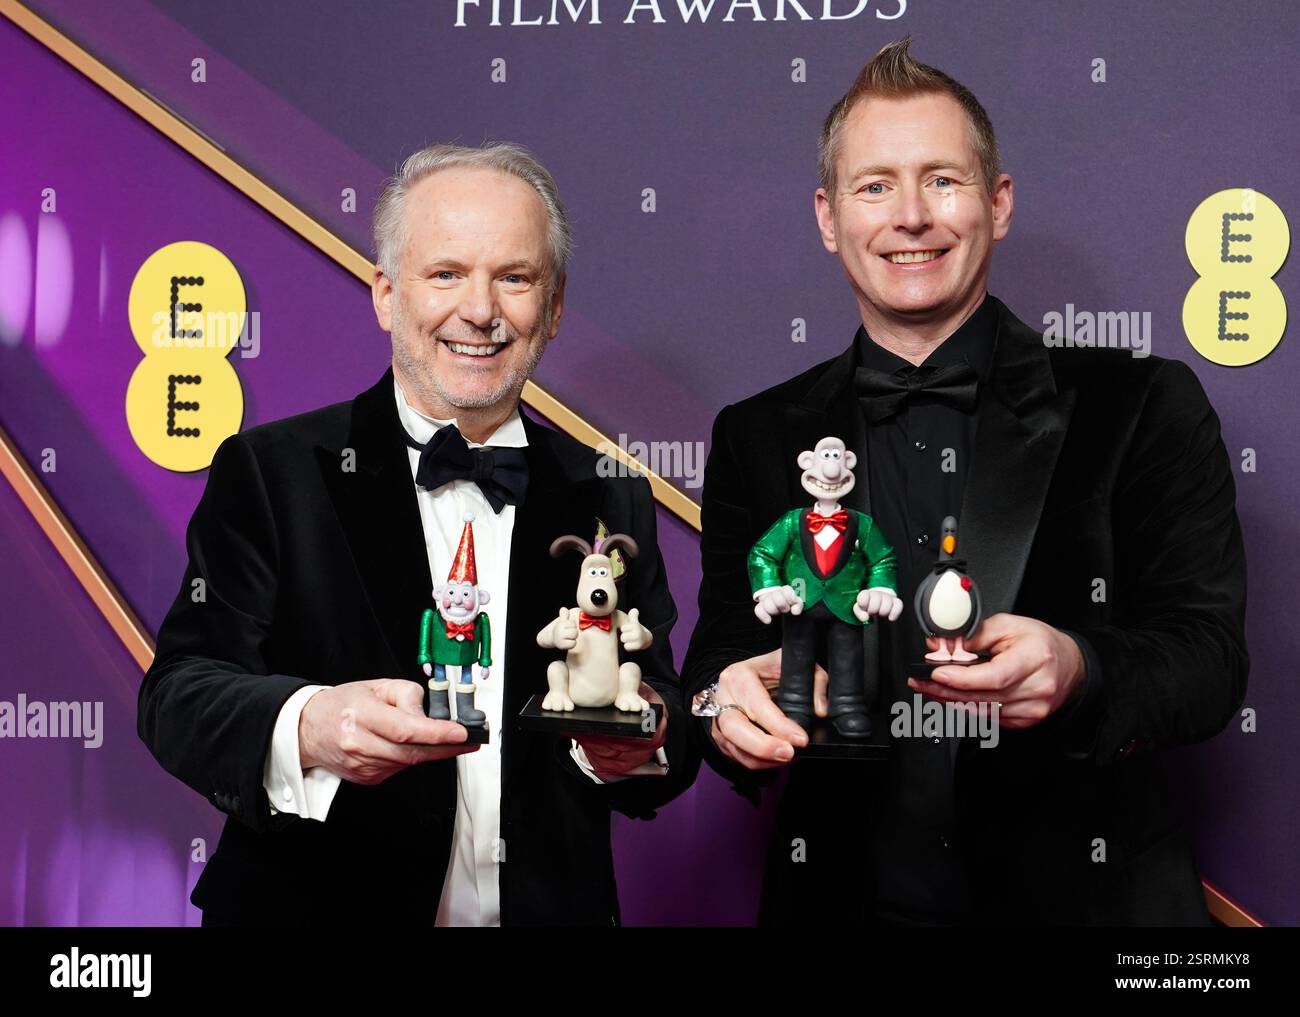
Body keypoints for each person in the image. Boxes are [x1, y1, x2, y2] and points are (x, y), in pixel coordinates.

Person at [681, 38, 1248, 926]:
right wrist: (722, 709)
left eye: (942, 180)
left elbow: (1210, 662)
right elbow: (718, 661)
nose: (911, 215)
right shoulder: (756, 435)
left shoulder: (1140, 403)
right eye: (876, 186)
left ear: (999, 202)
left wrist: (1080, 666)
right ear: (829, 218)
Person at [138, 141, 698, 926]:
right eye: (446, 274)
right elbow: (178, 694)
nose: (480, 310)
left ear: (556, 305)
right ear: (386, 292)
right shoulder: (273, 470)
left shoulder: (610, 492)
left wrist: (641, 742)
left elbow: (663, 711)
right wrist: (311, 723)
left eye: (514, 277)